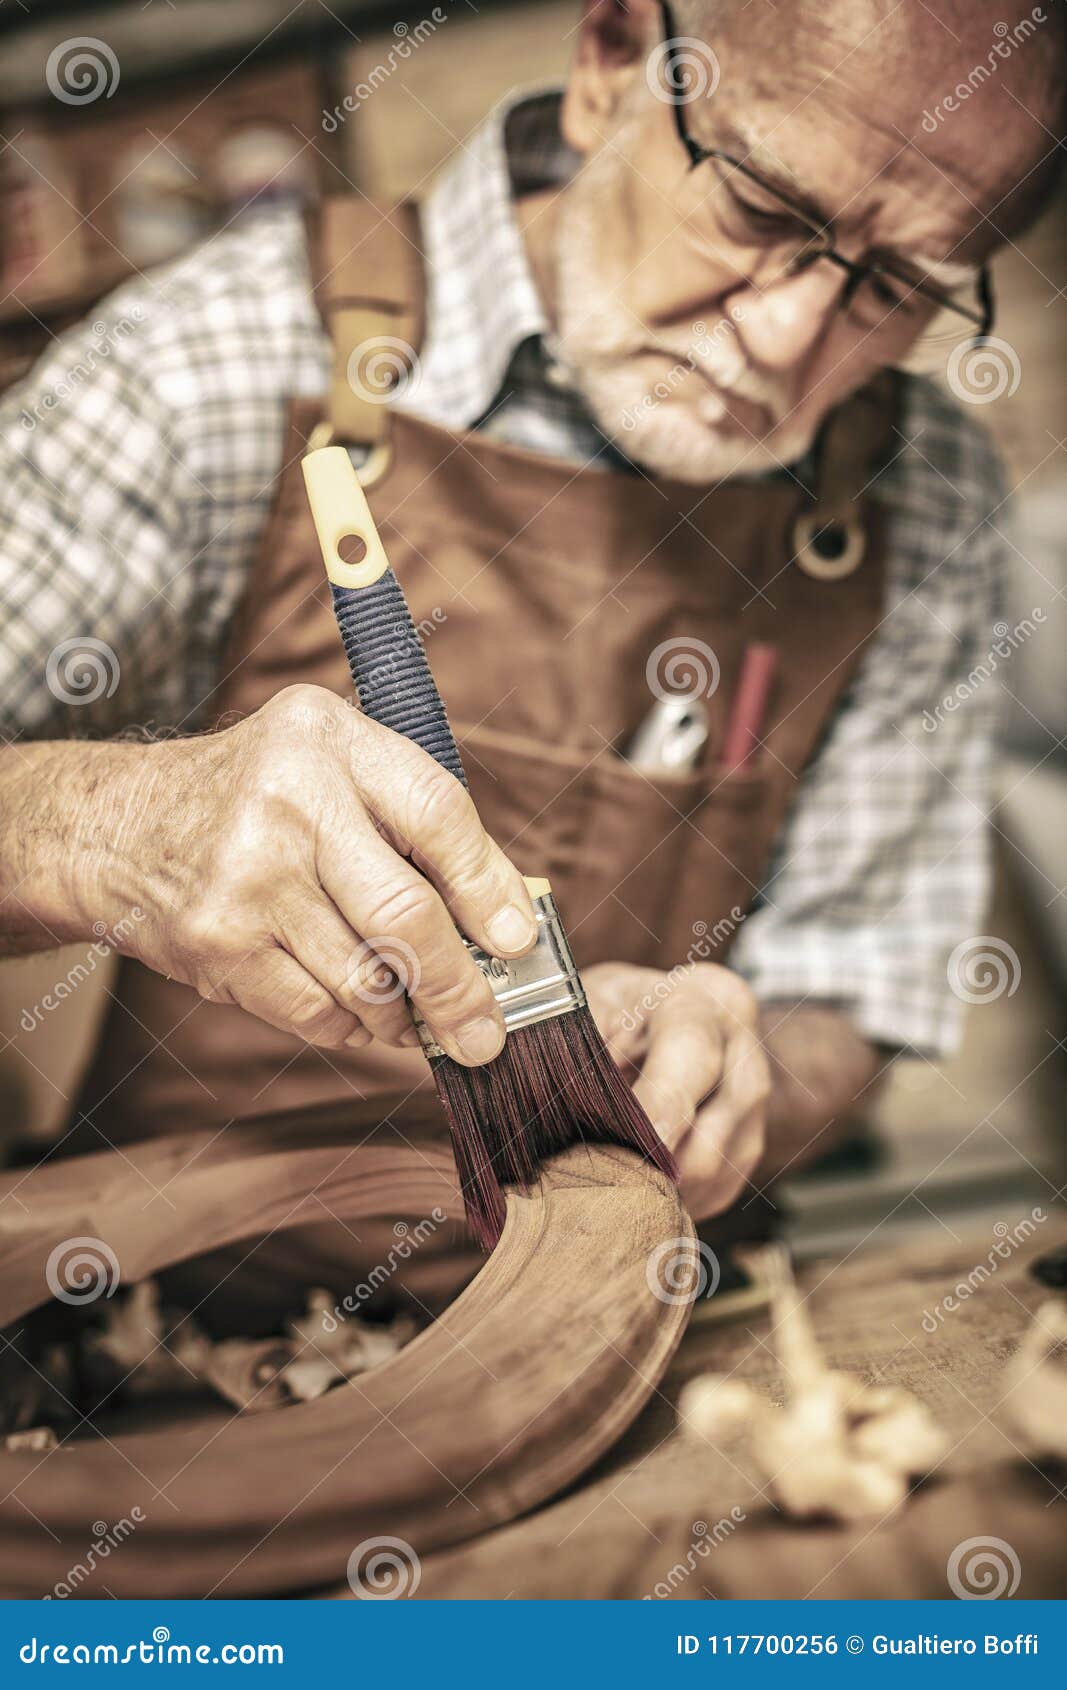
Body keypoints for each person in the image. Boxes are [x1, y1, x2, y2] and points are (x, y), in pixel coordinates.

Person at [0, 0, 1062, 1223]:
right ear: (611, 61)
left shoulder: (920, 491)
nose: (783, 339)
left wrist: (743, 1071)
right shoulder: (205, 363)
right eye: (758, 207)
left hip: (638, 1290)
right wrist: (105, 831)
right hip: (190, 1306)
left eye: (892, 287)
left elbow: (851, 980)